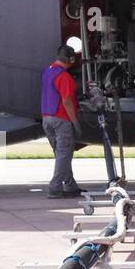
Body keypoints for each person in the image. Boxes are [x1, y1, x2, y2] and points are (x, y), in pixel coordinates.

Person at [41, 45, 83, 198]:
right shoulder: (64, 76)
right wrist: (75, 123)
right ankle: (55, 187)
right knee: (64, 154)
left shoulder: (48, 72)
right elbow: (67, 102)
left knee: (61, 155)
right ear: (71, 59)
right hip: (61, 119)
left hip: (47, 118)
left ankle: (70, 185)